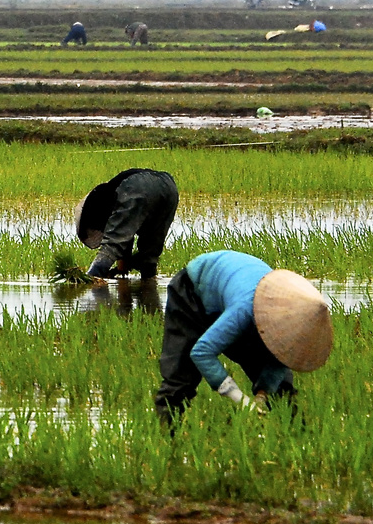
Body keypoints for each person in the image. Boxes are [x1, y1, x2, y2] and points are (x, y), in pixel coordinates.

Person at [155, 251, 332, 422]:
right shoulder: (243, 310)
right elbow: (202, 352)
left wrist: (262, 396)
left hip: (235, 290)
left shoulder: (293, 321)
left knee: (281, 388)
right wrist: (241, 400)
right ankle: (166, 438)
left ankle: (291, 438)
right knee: (181, 379)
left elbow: (281, 357)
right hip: (194, 291)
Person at [74, 168, 179, 283]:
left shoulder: (103, 204)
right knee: (150, 253)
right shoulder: (110, 195)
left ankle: (92, 276)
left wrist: (87, 279)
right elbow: (126, 232)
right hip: (169, 186)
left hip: (138, 186)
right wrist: (121, 270)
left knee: (112, 245)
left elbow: (118, 237)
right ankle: (149, 280)